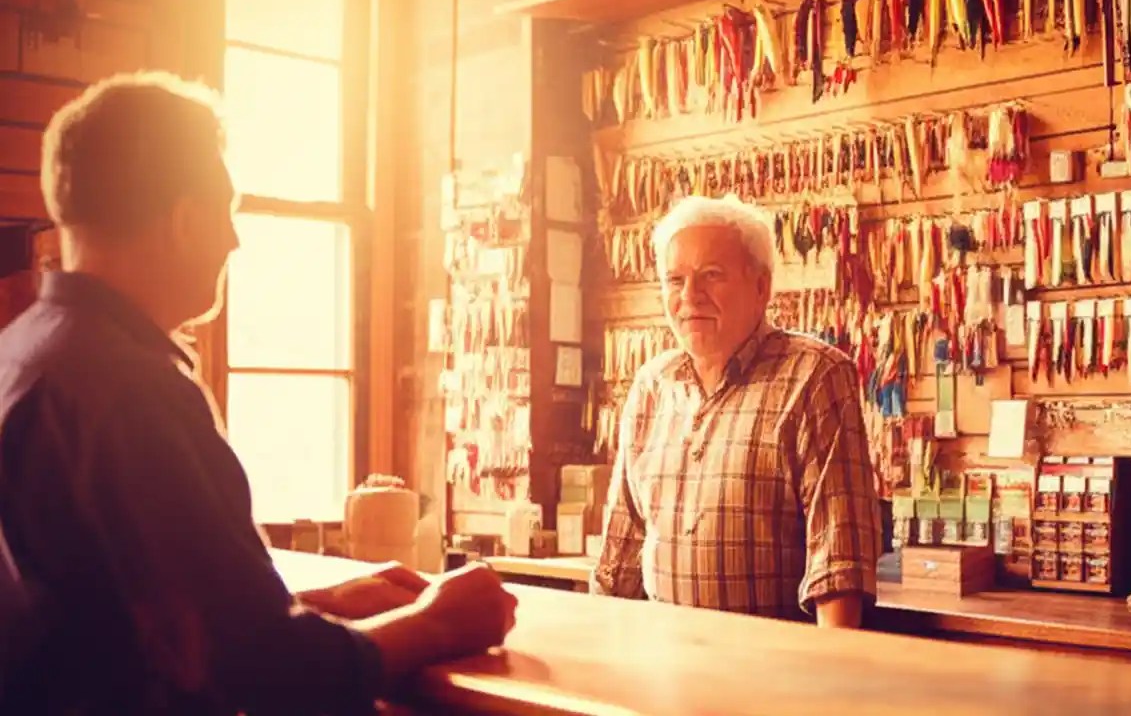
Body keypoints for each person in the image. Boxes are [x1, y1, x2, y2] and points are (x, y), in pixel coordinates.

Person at [0, 71, 517, 714]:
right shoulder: (132, 391)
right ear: (187, 219)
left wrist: (318, 604)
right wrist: (442, 620)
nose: (234, 240)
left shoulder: (21, 355)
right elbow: (276, 674)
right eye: (227, 212)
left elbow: (117, 620)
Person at [591, 195, 881, 628]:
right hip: (662, 670)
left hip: (768, 679)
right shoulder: (652, 386)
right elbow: (619, 561)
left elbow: (838, 569)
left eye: (711, 275)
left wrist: (827, 689)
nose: (690, 296)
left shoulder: (815, 377)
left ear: (761, 287)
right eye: (674, 280)